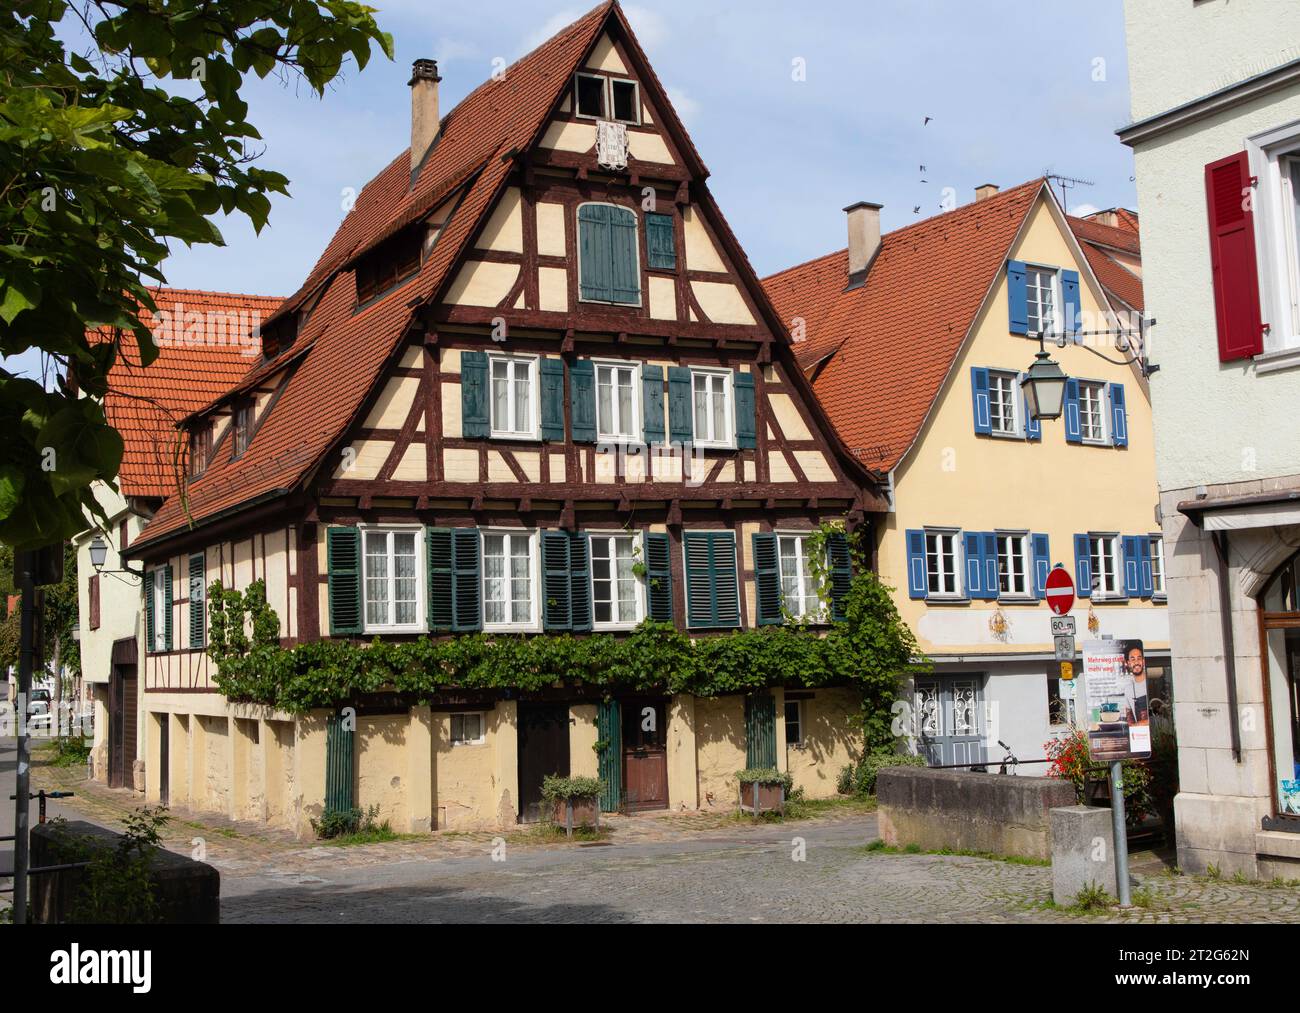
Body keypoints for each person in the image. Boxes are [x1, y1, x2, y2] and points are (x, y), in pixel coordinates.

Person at [1122, 642, 1149, 725]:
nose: (1136, 662)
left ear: (1143, 661)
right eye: (1133, 659)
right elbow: (1129, 718)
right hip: (1140, 735)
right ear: (1128, 663)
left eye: (1139, 658)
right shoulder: (1128, 690)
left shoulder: (1150, 682)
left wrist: (1139, 724)